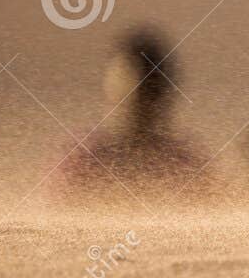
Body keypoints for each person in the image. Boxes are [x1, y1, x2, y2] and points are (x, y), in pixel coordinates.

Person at [55, 27, 218, 201]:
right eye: (124, 87)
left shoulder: (187, 162)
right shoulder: (83, 156)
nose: (137, 96)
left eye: (147, 87)